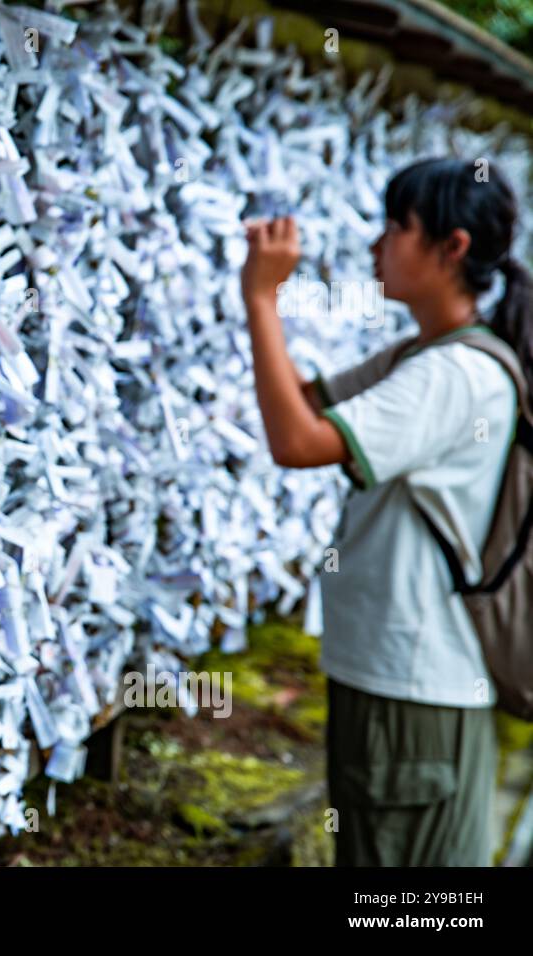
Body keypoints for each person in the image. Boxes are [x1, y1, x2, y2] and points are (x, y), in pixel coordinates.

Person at [240, 157, 532, 866]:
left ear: (451, 246)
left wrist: (262, 301)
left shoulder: (453, 374)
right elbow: (309, 404)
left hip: (413, 686)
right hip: (401, 678)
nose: (376, 245)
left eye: (396, 227)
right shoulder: (427, 354)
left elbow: (297, 441)